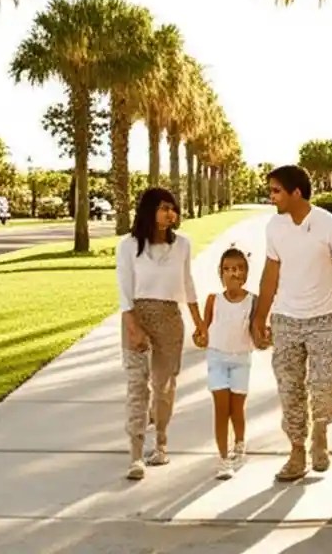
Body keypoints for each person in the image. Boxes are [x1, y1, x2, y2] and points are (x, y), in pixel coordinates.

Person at [251, 165, 332, 482]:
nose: (271, 197)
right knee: (289, 389)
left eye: (276, 191)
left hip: (325, 319)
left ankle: (321, 432)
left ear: (296, 192)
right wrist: (260, 315)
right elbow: (271, 274)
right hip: (286, 320)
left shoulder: (329, 226)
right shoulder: (274, 227)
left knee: (323, 385)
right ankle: (297, 451)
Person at [115, 186, 205, 480]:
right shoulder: (127, 246)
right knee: (137, 386)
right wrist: (133, 328)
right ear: (148, 210)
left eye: (173, 207)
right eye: (164, 207)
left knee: (164, 386)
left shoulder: (182, 245)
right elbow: (124, 291)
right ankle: (135, 455)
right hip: (135, 317)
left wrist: (199, 322)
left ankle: (161, 445)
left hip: (169, 318)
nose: (170, 213)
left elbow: (188, 282)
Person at [197, 246, 257, 480]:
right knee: (221, 409)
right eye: (228, 269)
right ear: (220, 273)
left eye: (239, 269)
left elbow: (256, 331)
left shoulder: (252, 300)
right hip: (217, 358)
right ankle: (223, 459)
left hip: (242, 359)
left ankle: (240, 442)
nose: (233, 274)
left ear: (246, 274)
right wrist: (200, 336)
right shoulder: (213, 300)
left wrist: (264, 337)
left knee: (236, 409)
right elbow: (203, 330)